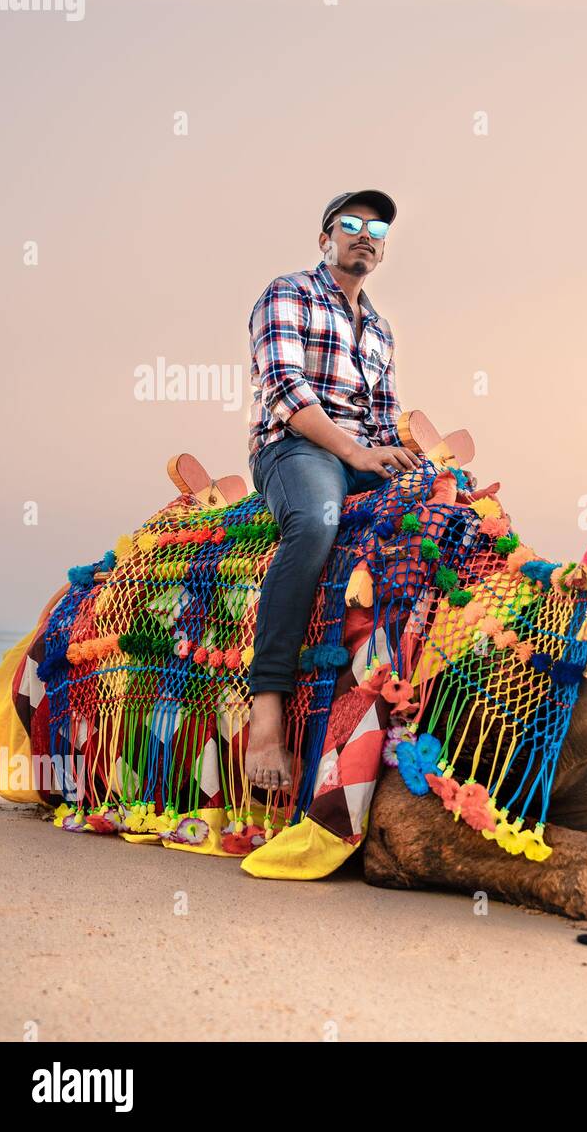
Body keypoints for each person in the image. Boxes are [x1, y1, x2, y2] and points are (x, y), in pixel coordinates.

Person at [242, 189, 417, 791]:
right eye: (350, 223)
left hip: (363, 453)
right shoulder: (288, 292)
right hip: (296, 446)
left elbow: (387, 417)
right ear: (326, 239)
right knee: (317, 521)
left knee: (449, 507)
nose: (364, 233)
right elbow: (286, 392)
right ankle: (266, 704)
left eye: (377, 228)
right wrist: (357, 452)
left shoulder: (382, 332)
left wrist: (413, 454)